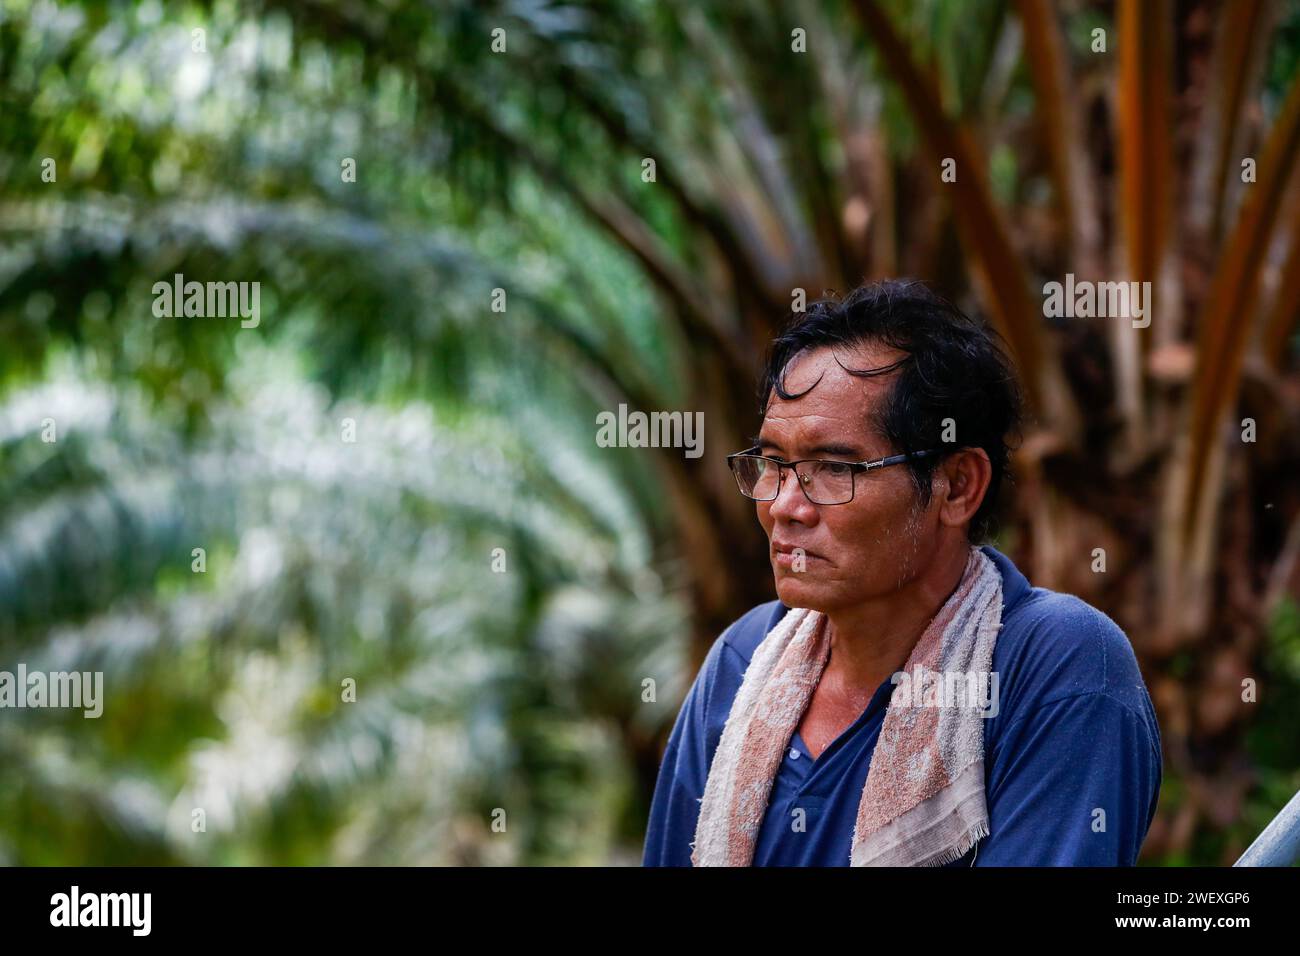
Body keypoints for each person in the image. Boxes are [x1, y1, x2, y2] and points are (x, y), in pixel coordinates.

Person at [643, 279, 1161, 866]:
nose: (786, 504)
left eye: (835, 468)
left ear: (958, 485)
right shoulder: (742, 663)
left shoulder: (1052, 664)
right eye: (772, 464)